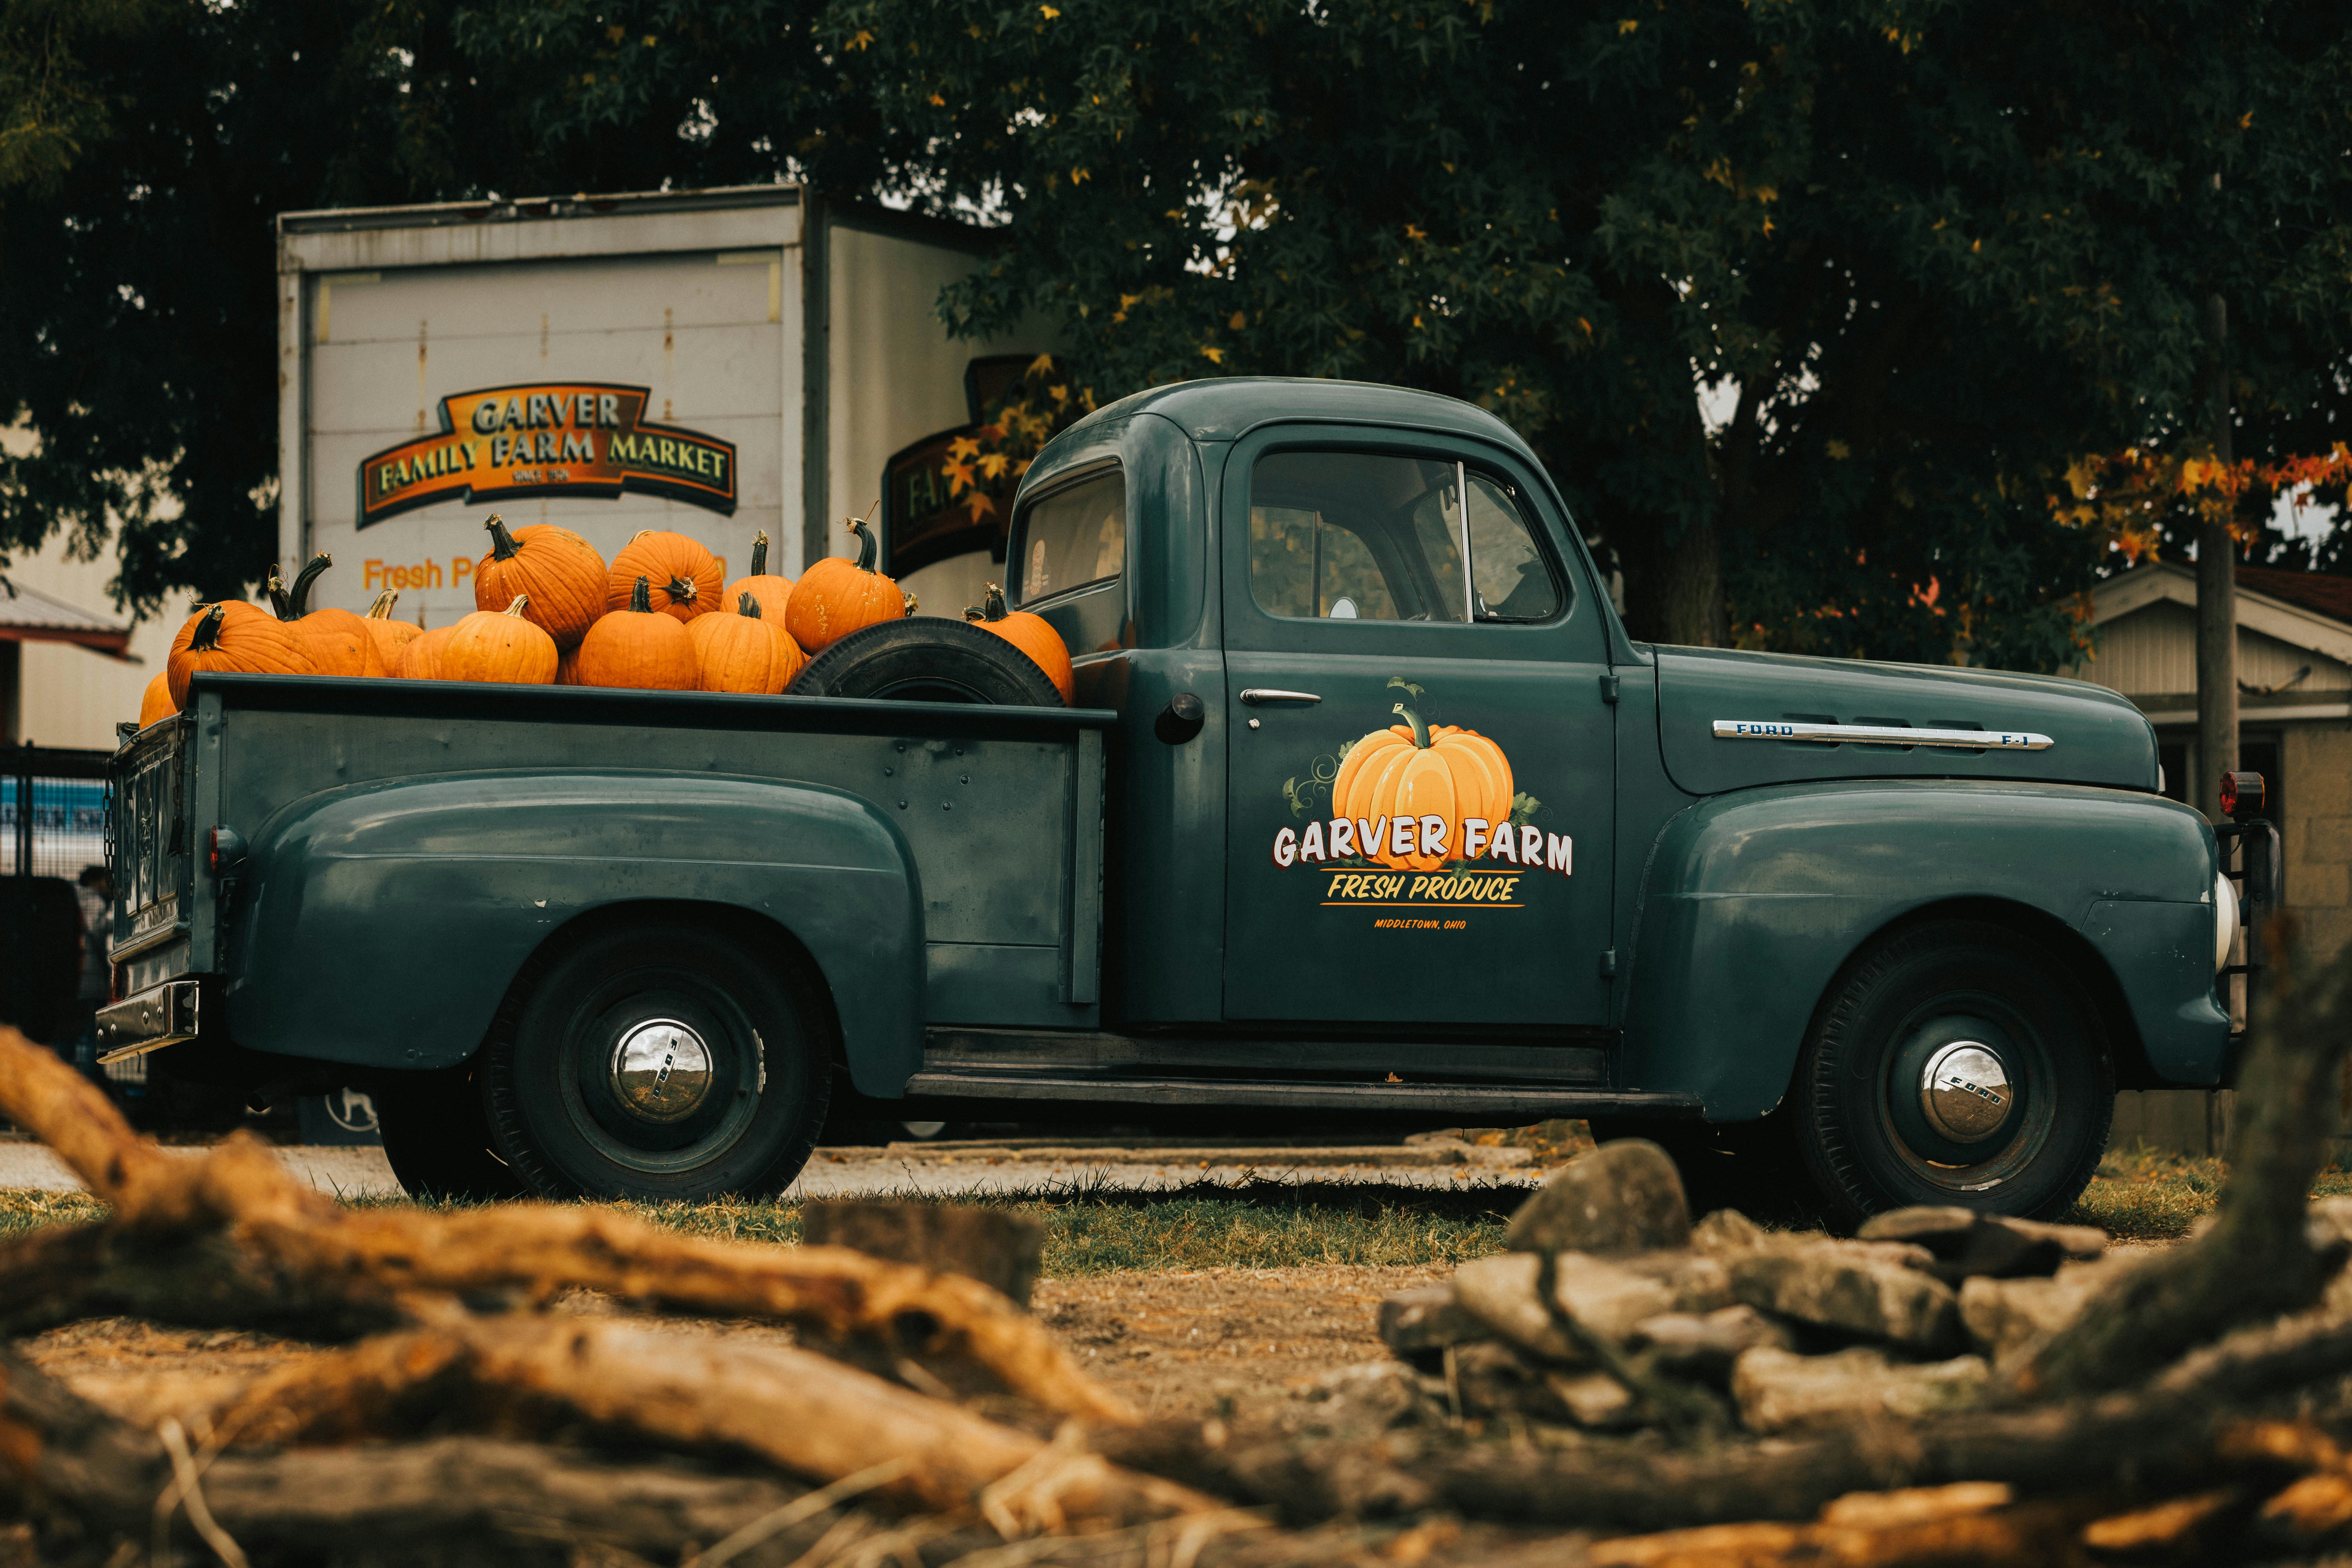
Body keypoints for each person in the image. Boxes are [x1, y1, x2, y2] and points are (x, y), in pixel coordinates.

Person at [70, 865, 110, 1073]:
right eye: (105, 880)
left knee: (71, 1032)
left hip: (74, 975)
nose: (108, 885)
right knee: (93, 1034)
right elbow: (98, 928)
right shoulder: (92, 900)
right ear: (95, 882)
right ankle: (91, 1076)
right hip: (91, 975)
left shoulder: (72, 899)